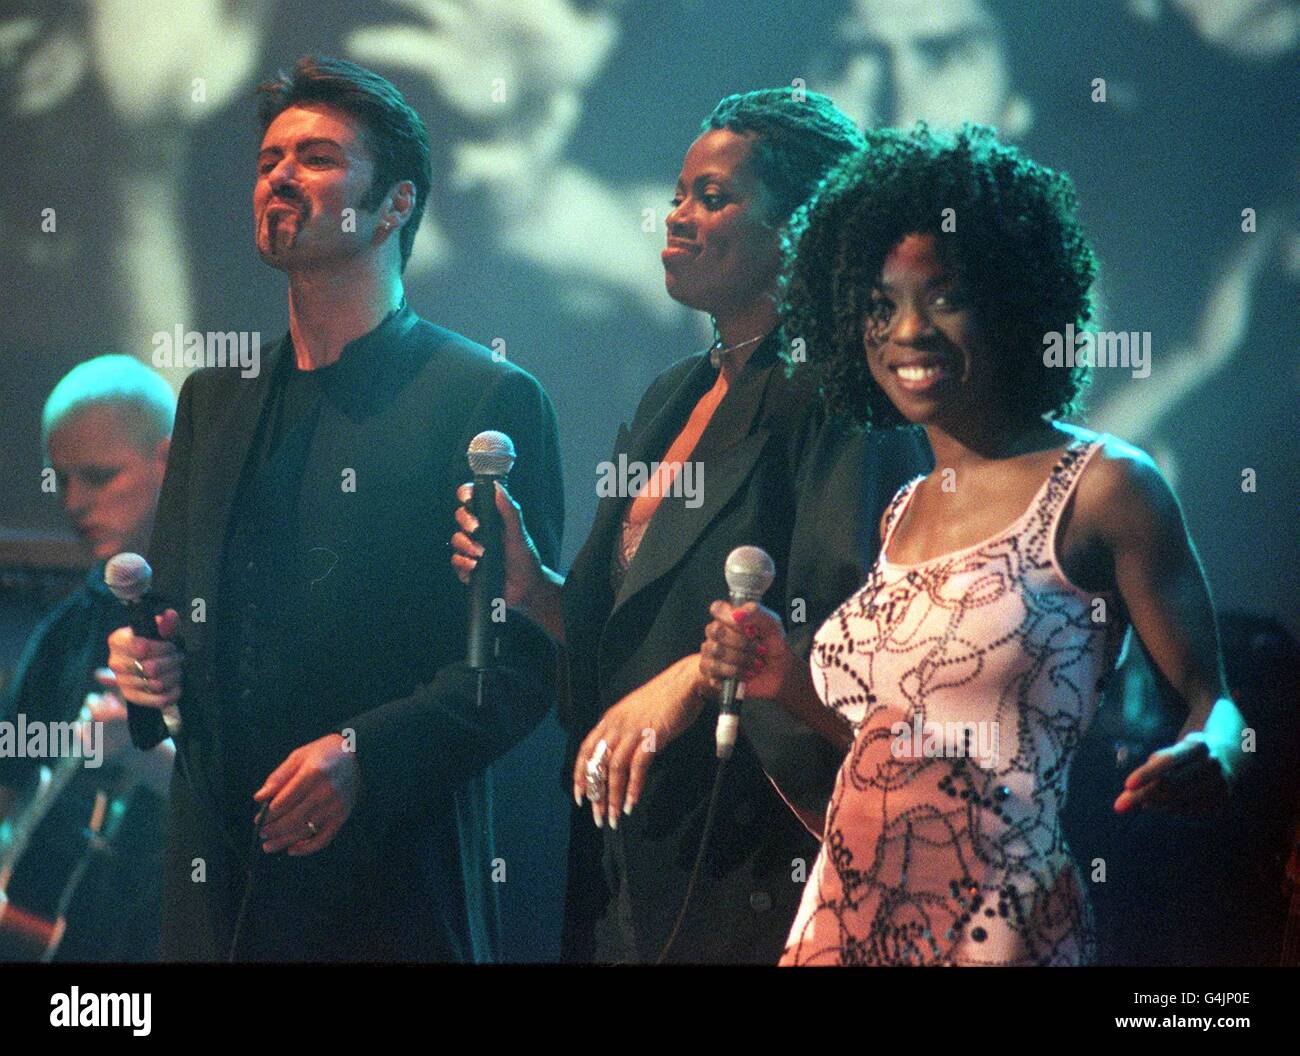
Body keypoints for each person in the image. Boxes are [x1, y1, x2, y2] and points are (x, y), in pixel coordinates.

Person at [700, 123, 1248, 965]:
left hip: (995, 926)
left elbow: (1214, 700)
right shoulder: (904, 508)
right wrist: (783, 683)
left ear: (1016, 300)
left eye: (944, 296)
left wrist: (1210, 753)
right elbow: (897, 757)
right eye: (880, 305)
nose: (908, 331)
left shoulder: (1106, 486)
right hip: (843, 923)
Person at [452, 89, 928, 962]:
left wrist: (699, 679)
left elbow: (846, 645)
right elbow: (624, 649)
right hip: (627, 852)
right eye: (677, 195)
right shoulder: (674, 393)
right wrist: (534, 591)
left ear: (803, 227)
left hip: (751, 856)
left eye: (713, 198)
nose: (675, 219)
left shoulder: (843, 401)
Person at [106, 55, 563, 962]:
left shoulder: (482, 398)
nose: (278, 174)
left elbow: (513, 666)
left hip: (387, 884)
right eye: (269, 158)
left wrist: (365, 754)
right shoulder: (214, 399)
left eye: (315, 158)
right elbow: (181, 623)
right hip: (219, 881)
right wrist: (147, 666)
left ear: (395, 205)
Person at [1, 355, 176, 961]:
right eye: (64, 479)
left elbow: (258, 809)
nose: (74, 502)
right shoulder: (66, 631)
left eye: (99, 477)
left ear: (169, 459)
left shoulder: (227, 616)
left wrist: (142, 749)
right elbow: (12, 785)